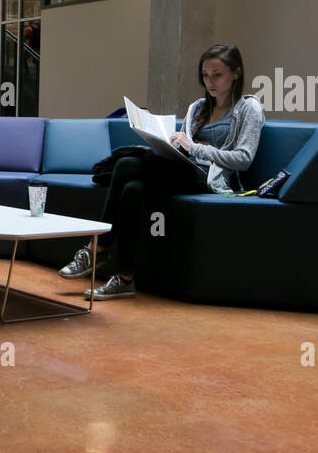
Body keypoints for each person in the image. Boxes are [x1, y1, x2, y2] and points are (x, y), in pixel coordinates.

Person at [61, 43, 265, 300]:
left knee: (125, 166)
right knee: (133, 189)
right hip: (185, 171)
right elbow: (187, 149)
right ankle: (125, 278)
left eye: (217, 75)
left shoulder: (249, 108)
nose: (210, 82)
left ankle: (98, 247)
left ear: (235, 74)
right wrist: (171, 143)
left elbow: (243, 159)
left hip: (213, 180)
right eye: (205, 75)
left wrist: (195, 149)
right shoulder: (198, 107)